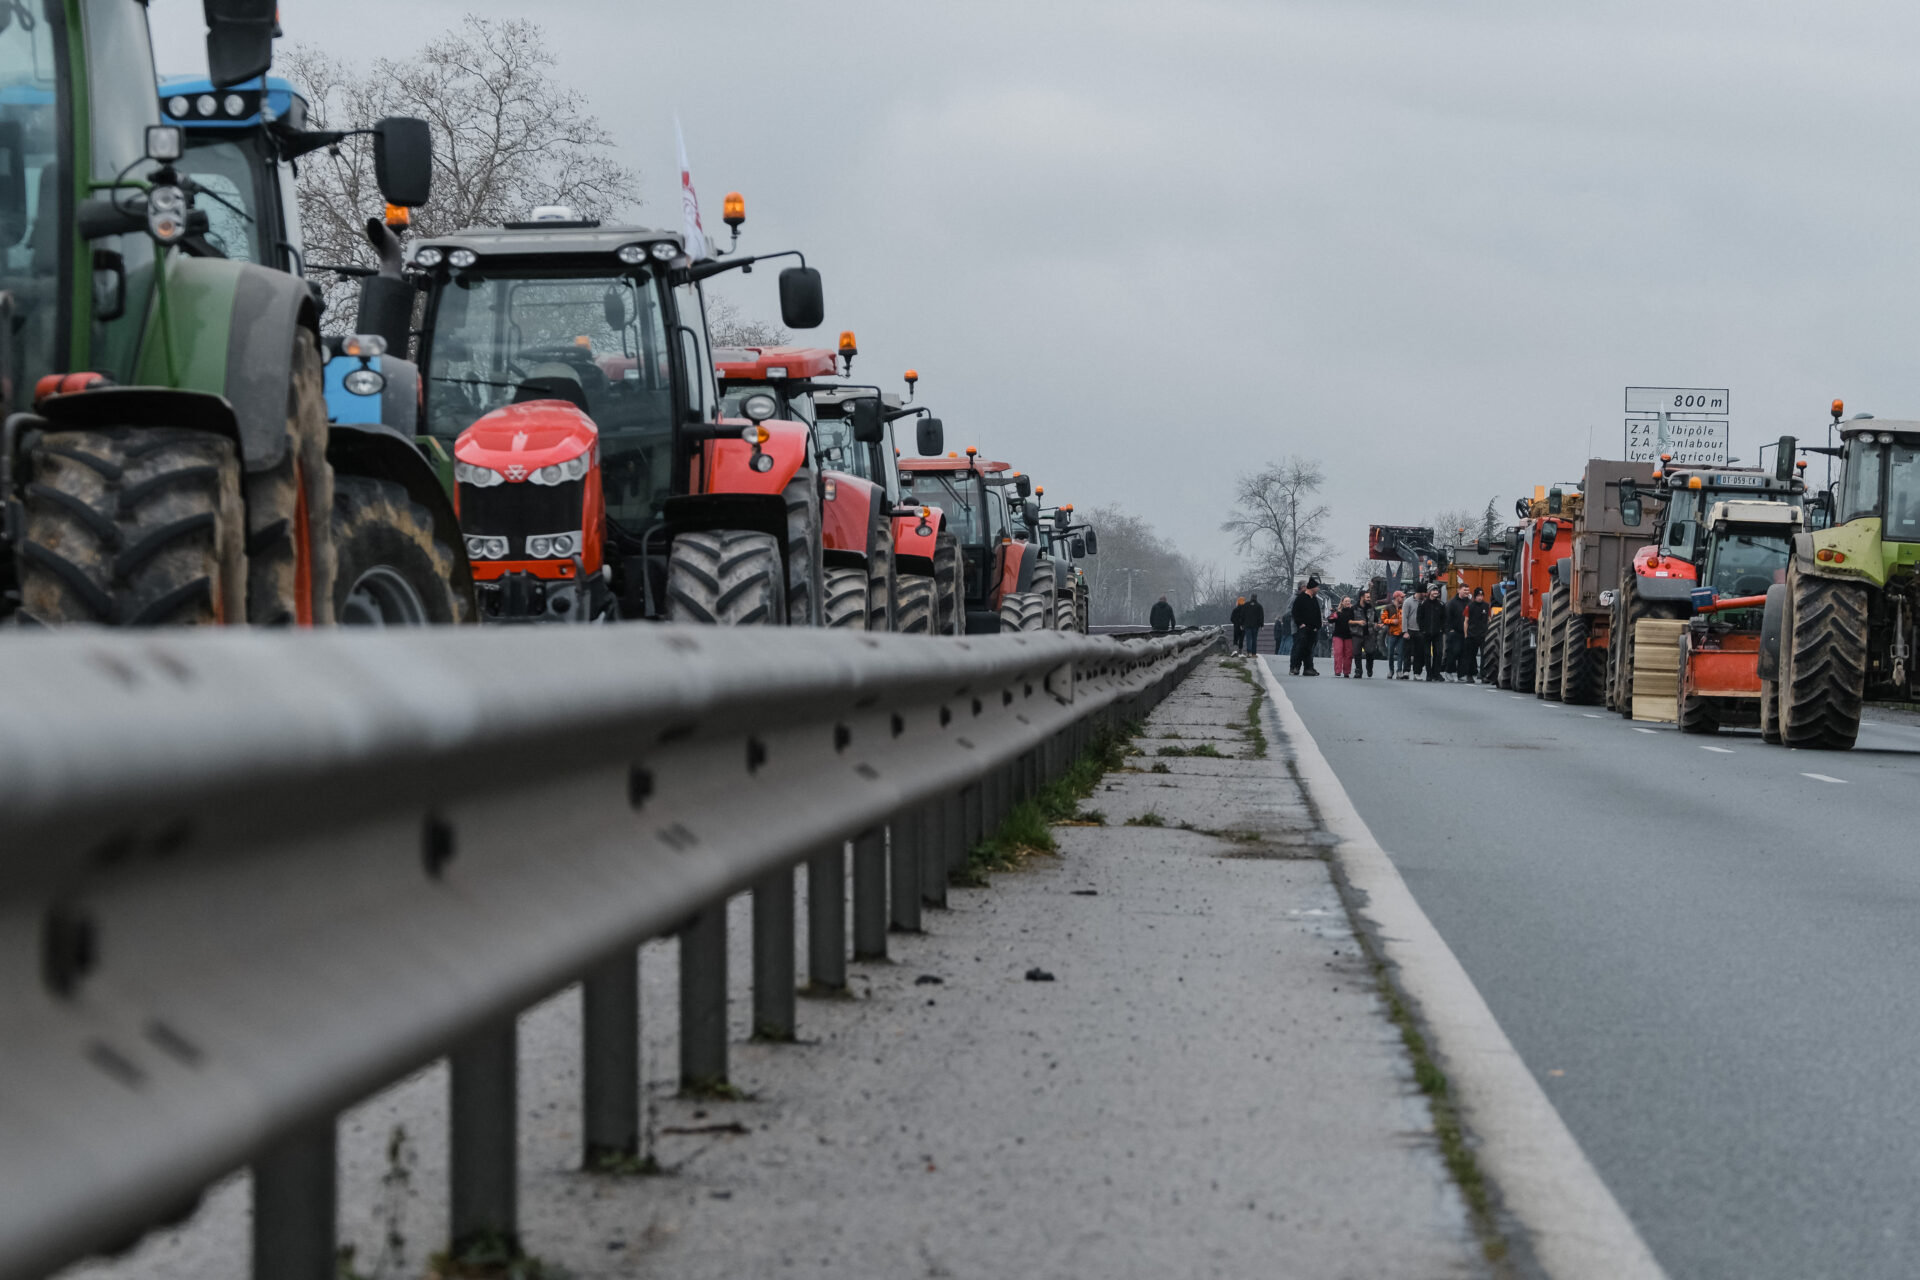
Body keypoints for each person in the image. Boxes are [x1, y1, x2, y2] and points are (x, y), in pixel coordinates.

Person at [1289, 577, 1323, 675]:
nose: (1318, 589)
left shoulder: (1314, 599)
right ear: (1312, 588)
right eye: (1317, 587)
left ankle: (1308, 668)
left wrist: (1317, 626)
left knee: (1309, 650)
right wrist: (1301, 624)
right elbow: (1295, 612)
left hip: (1313, 629)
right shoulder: (1301, 598)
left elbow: (1317, 613)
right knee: (1300, 648)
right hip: (1303, 628)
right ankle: (1295, 667)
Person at [1415, 584, 1447, 682]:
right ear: (1429, 592)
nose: (1435, 592)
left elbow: (1445, 619)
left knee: (1438, 653)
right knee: (1427, 654)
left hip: (1438, 633)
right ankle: (1429, 674)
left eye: (1437, 591)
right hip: (1426, 633)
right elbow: (1419, 618)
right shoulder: (1423, 604)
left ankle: (1436, 673)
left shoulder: (1441, 605)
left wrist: (1442, 629)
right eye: (1433, 590)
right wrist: (1422, 630)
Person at [1444, 585, 1470, 682]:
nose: (1466, 592)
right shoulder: (1452, 603)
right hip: (1455, 632)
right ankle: (1448, 672)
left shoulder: (1469, 603)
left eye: (1468, 590)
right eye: (1464, 590)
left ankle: (1461, 674)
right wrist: (1449, 630)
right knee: (1453, 652)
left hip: (1465, 633)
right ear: (1459, 590)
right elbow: (1447, 617)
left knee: (1464, 654)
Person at [1465, 588, 1492, 682]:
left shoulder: (1486, 606)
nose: (1480, 598)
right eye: (1478, 596)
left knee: (1485, 655)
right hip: (1472, 634)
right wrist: (1466, 634)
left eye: (1481, 596)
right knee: (1471, 656)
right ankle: (1470, 674)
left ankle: (1483, 674)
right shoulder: (1470, 606)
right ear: (1475, 597)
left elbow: (1489, 619)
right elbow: (1466, 621)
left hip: (1483, 634)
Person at [1401, 583, 1424, 679]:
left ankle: (1417, 673)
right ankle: (1406, 671)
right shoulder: (1408, 602)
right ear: (1419, 592)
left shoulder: (1424, 602)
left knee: (1419, 653)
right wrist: (1405, 631)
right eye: (1424, 592)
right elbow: (1404, 617)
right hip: (1410, 630)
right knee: (1407, 652)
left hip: (1420, 631)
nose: (1425, 594)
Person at [1330, 595, 1357, 677]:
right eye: (1346, 601)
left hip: (1349, 635)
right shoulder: (1338, 612)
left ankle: (1346, 672)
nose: (1348, 603)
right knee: (1338, 652)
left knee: (1348, 654)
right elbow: (1330, 620)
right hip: (1338, 635)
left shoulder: (1353, 611)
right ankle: (1337, 671)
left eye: (1349, 601)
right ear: (1342, 602)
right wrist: (1333, 616)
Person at [1383, 590, 1405, 678]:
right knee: (1390, 654)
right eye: (1402, 597)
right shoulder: (1388, 607)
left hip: (1401, 634)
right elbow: (1383, 620)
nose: (1403, 598)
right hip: (1391, 634)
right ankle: (1391, 670)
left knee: (1400, 653)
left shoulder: (1405, 607)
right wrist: (1392, 621)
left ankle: (1399, 671)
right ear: (1396, 597)